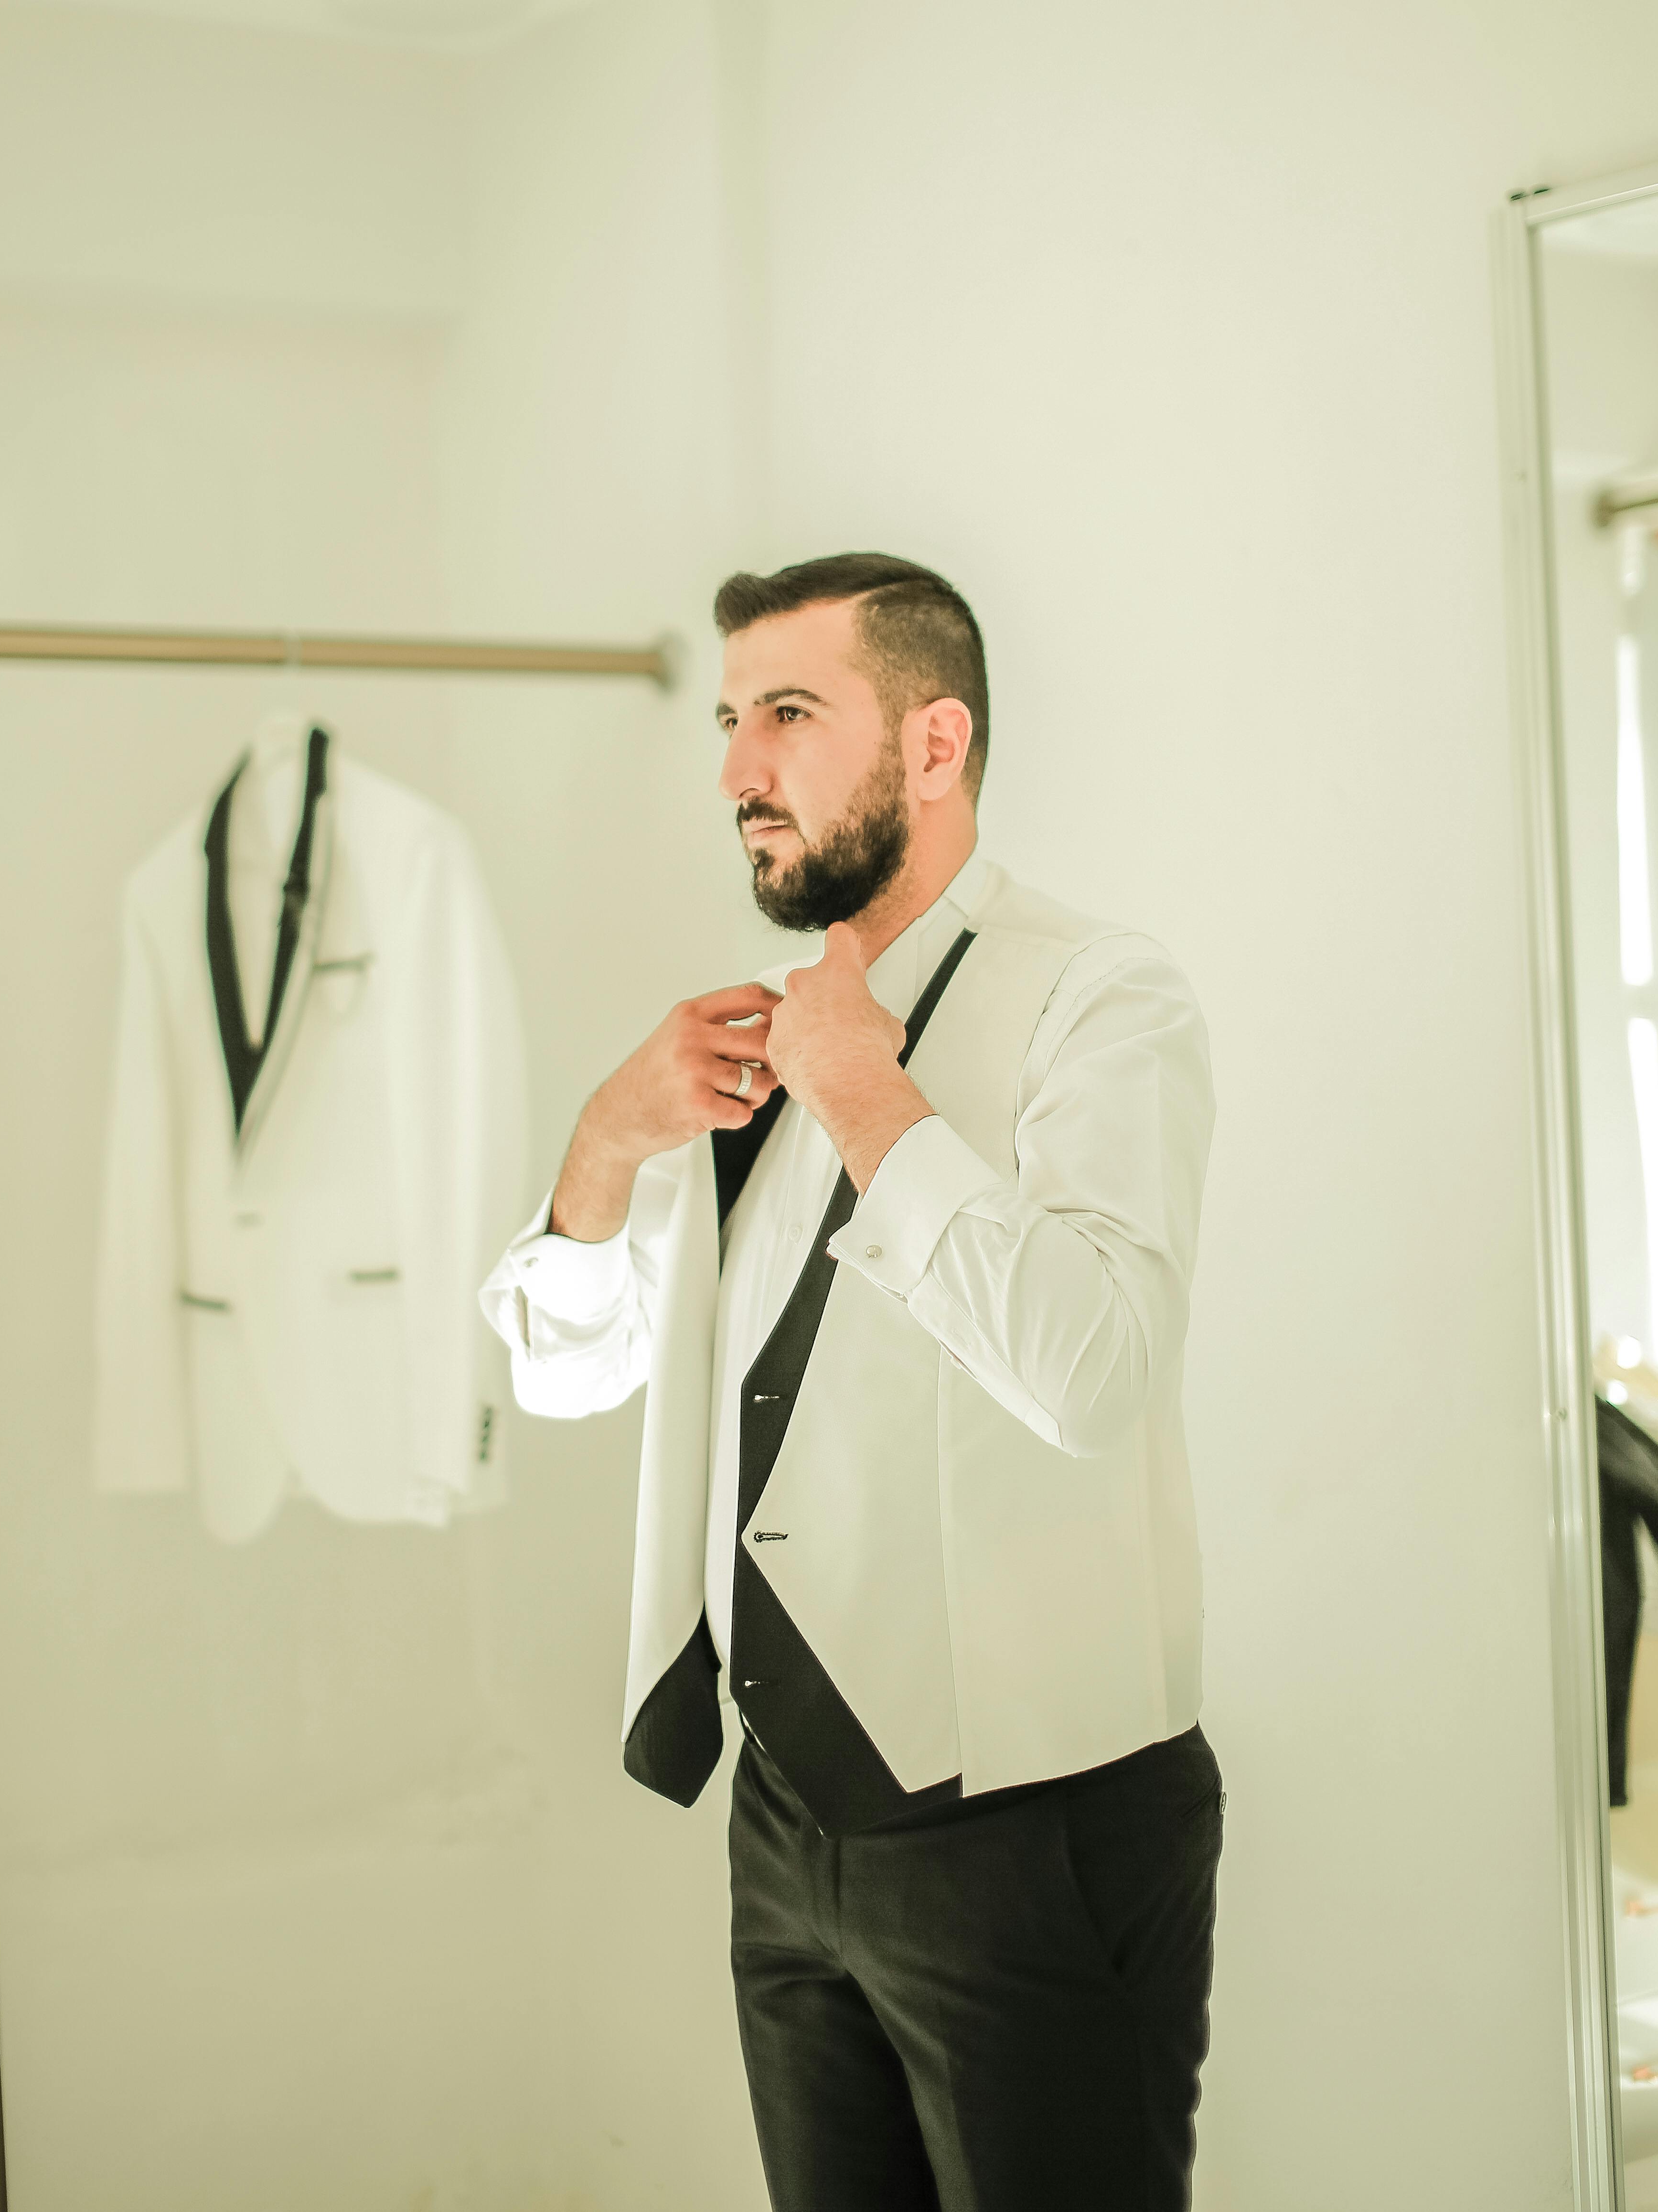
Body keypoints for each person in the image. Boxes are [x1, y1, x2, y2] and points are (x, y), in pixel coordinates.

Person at [480, 552, 1220, 2210]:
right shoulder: (734, 1045)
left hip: (1033, 1825)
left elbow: (1096, 1369)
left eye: (790, 716)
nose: (737, 770)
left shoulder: (1103, 1000)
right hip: (787, 1829)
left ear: (934, 745)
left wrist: (877, 1114)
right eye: (734, 721)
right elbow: (564, 1376)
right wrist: (609, 1137)